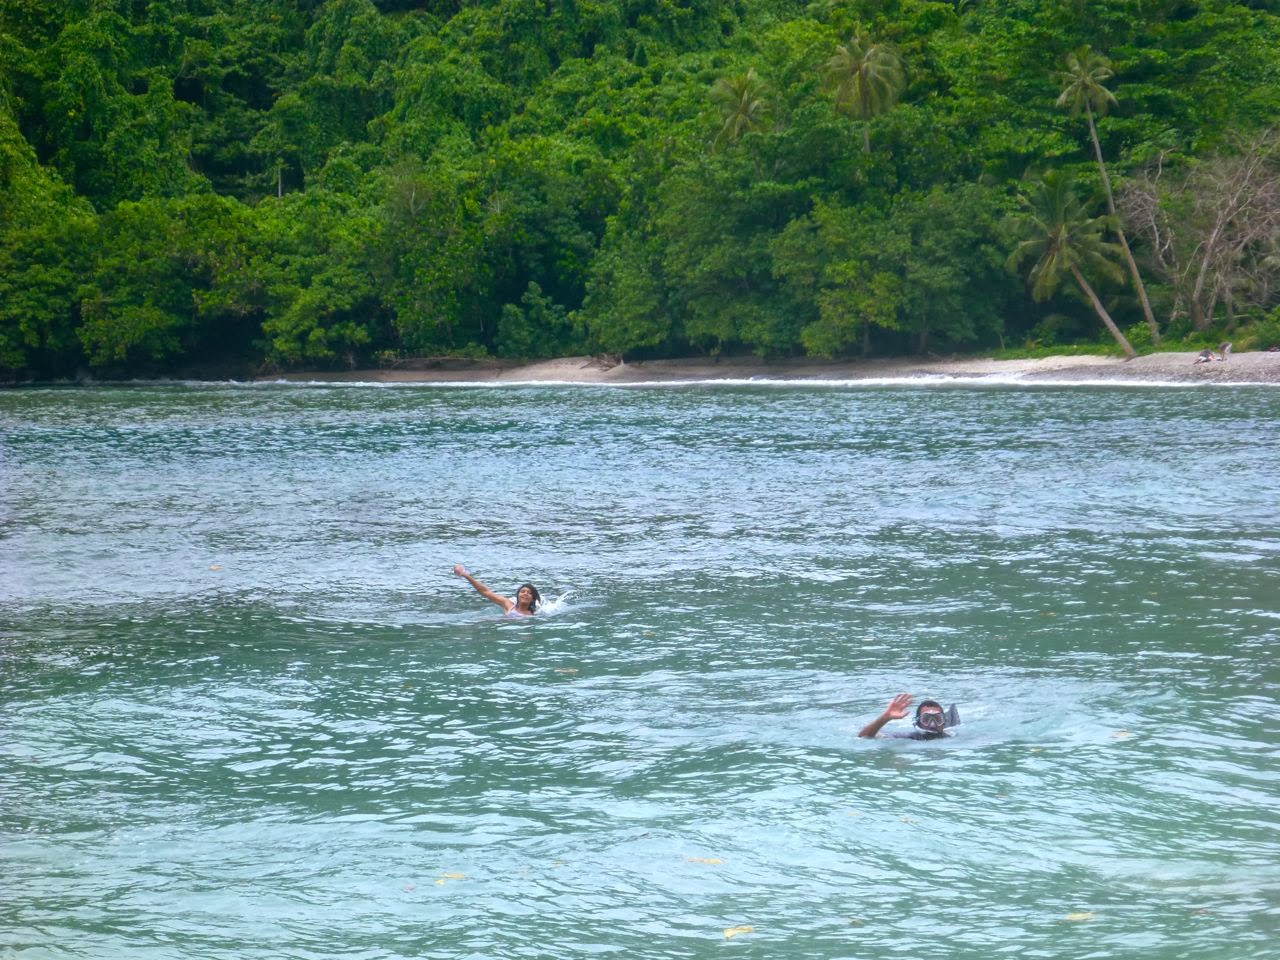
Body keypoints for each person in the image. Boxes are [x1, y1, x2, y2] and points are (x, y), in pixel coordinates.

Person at [857, 693, 958, 740]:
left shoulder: (953, 736)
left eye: (937, 719)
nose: (932, 724)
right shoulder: (911, 737)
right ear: (918, 722)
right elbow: (864, 736)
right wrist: (885, 718)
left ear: (944, 722)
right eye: (926, 719)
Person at [453, 565, 541, 617]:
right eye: (522, 591)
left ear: (533, 599)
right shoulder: (509, 605)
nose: (525, 594)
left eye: (529, 593)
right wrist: (465, 575)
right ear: (518, 595)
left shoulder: (531, 616)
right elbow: (485, 592)